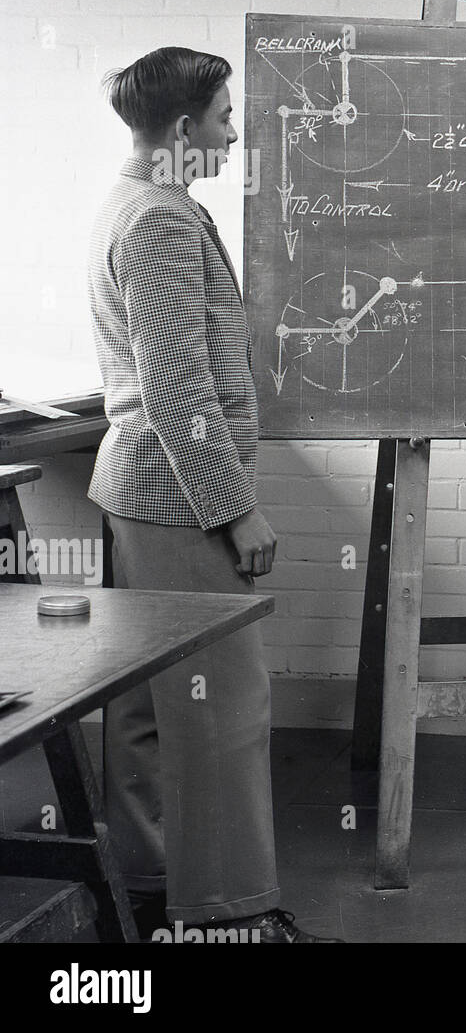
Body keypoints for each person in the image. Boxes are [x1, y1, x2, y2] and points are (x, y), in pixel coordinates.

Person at [88, 46, 337, 942]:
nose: (236, 133)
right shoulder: (157, 218)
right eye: (227, 118)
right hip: (179, 500)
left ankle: (155, 891)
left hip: (142, 493)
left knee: (150, 711)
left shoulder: (140, 199)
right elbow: (176, 387)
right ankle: (233, 918)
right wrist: (235, 506)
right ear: (185, 129)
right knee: (224, 711)